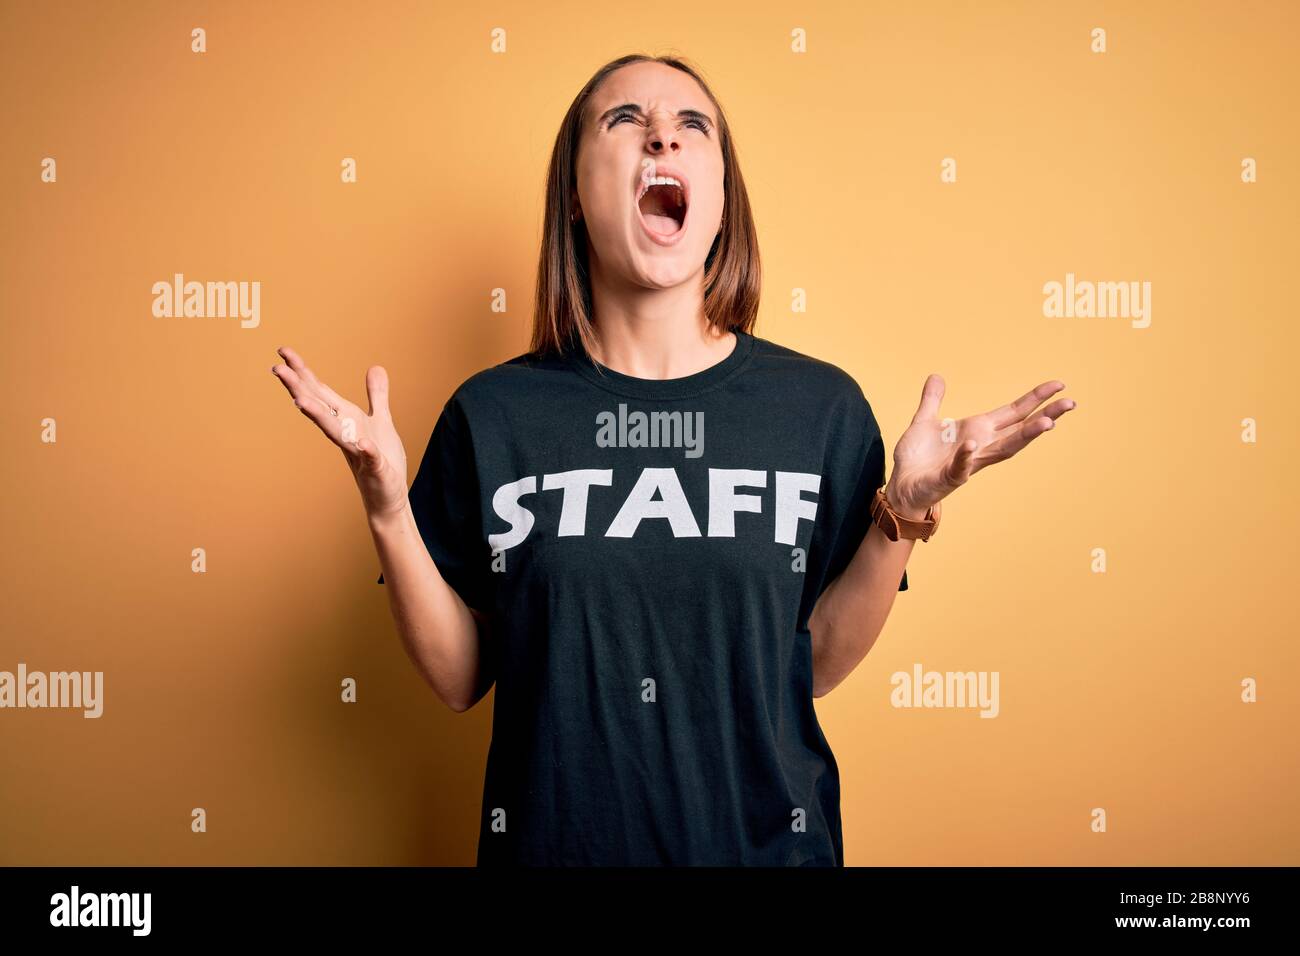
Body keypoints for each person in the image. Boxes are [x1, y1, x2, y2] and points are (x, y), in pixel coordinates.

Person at [271, 54, 1076, 866]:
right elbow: (460, 677)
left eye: (693, 127)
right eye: (624, 121)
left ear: (721, 200)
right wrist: (386, 508)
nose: (663, 135)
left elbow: (818, 662)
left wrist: (902, 510)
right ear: (576, 200)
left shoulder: (819, 410)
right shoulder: (492, 416)